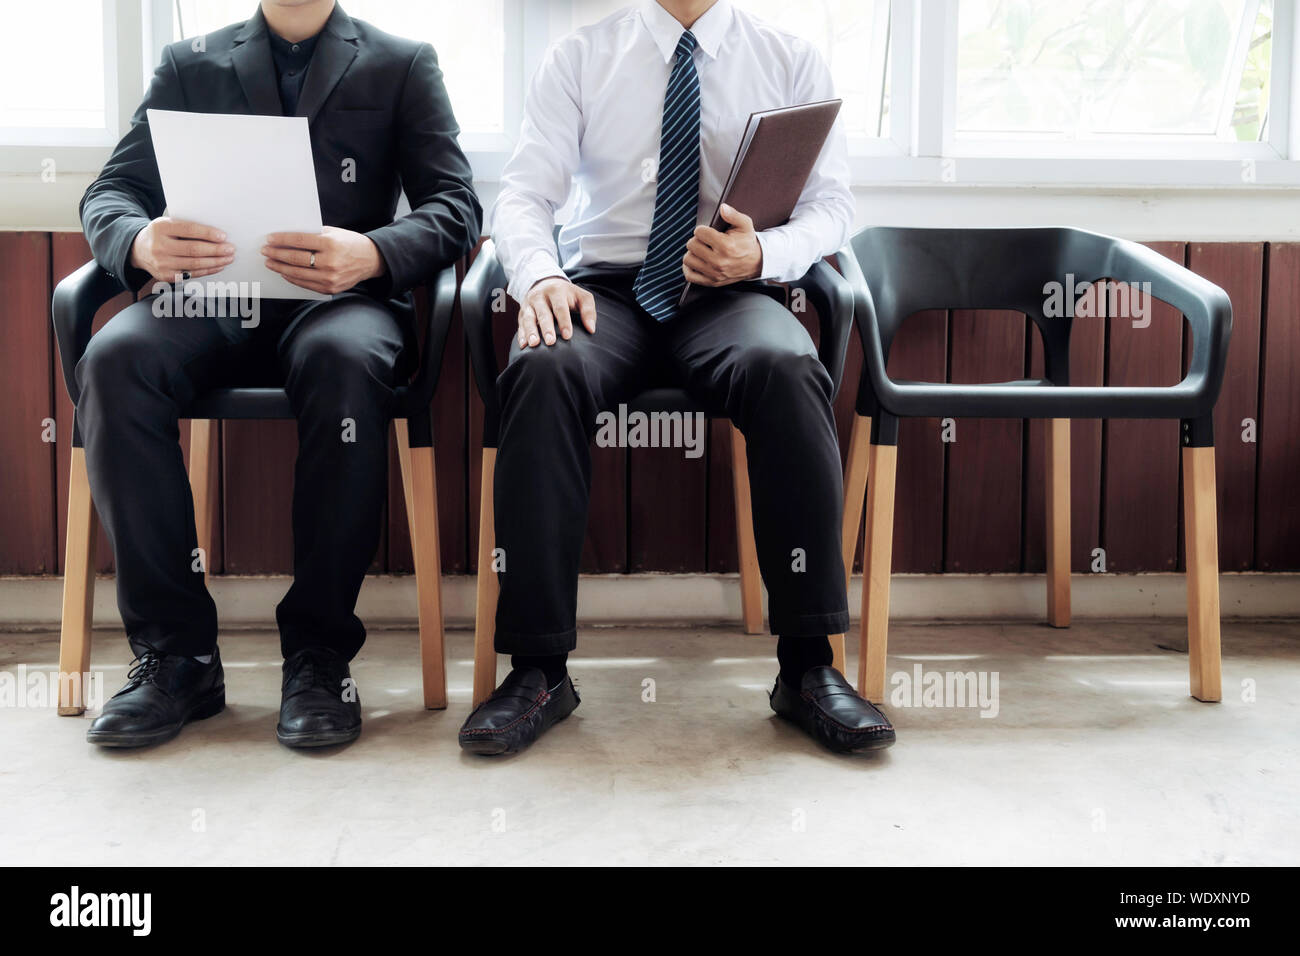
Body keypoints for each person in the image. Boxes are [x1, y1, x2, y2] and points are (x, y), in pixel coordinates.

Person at [459, 0, 895, 756]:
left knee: (789, 368)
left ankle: (808, 668)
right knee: (541, 370)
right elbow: (526, 196)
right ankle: (538, 668)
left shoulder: (789, 59)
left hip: (729, 293)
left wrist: (762, 257)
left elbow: (832, 207)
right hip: (604, 291)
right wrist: (540, 277)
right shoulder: (580, 57)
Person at [77, 0, 481, 749]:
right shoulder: (188, 62)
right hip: (211, 297)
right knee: (114, 360)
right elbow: (110, 192)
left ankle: (320, 657)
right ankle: (178, 656)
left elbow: (455, 205)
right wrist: (138, 241)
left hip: (341, 305)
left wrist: (375, 252)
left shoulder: (404, 60)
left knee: (345, 366)